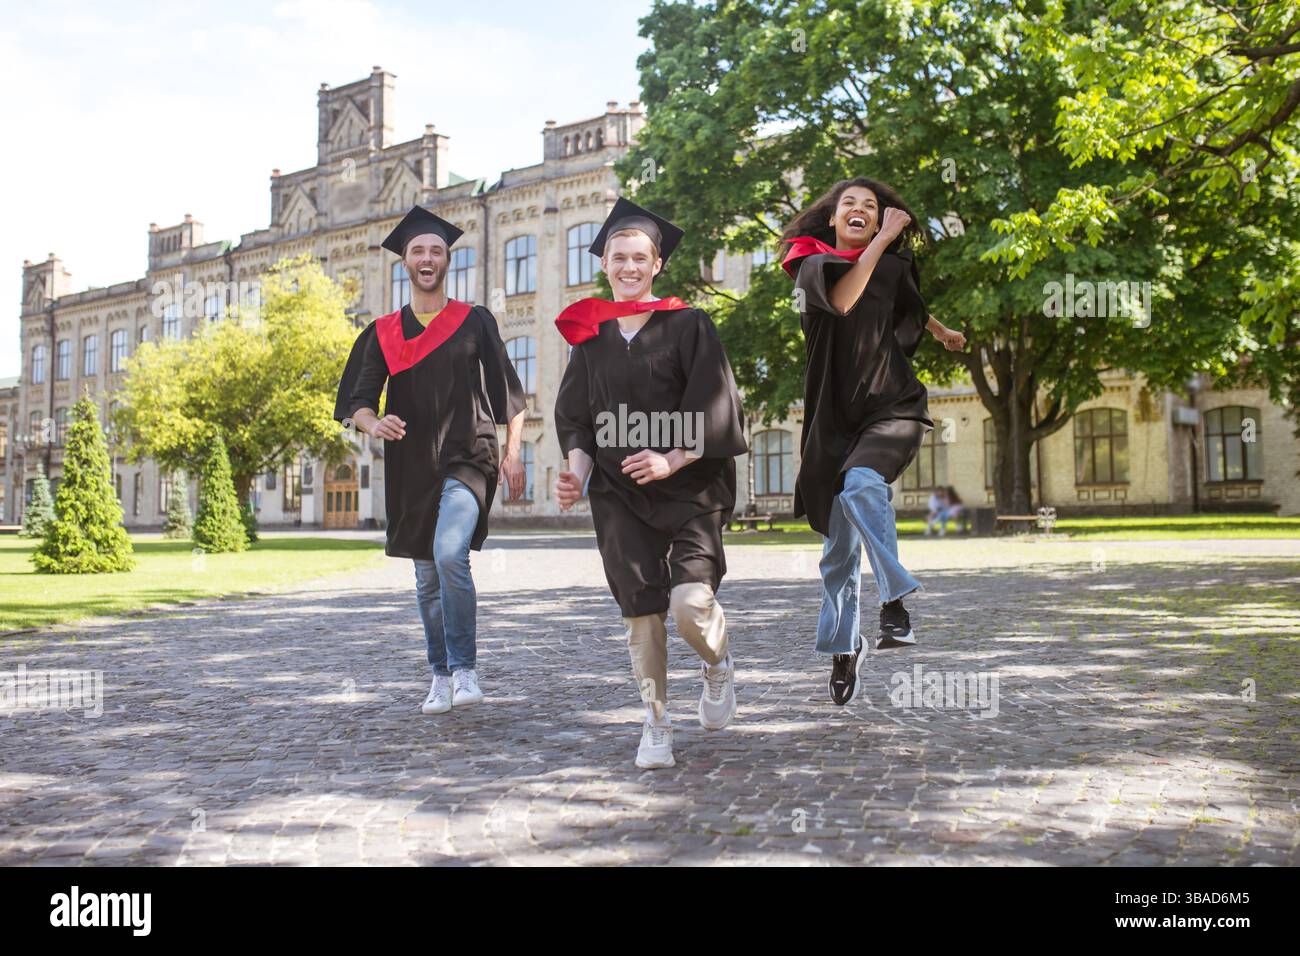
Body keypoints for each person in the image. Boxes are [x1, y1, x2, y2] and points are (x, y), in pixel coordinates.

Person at [553, 197, 749, 769]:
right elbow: (576, 422)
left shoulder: (688, 324)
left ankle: (717, 663)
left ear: (657, 264)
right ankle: (656, 720)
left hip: (692, 489)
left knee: (689, 605)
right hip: (620, 494)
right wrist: (576, 475)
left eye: (640, 257)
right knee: (641, 612)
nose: (629, 267)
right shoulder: (589, 336)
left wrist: (672, 458)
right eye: (619, 258)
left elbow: (719, 405)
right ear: (606, 263)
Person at [334, 205, 527, 715]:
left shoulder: (473, 321)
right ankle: (439, 675)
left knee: (448, 553)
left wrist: (512, 454)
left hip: (470, 456)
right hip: (411, 467)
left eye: (436, 251)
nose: (427, 258)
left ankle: (465, 669)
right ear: (405, 262)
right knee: (425, 578)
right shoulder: (382, 334)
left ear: (446, 261)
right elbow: (357, 401)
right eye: (418, 250)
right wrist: (373, 424)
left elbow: (509, 392)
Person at [781, 177, 965, 706]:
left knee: (864, 485)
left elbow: (906, 302)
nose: (861, 210)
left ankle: (895, 602)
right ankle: (845, 648)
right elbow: (844, 302)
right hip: (832, 424)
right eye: (850, 205)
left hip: (893, 407)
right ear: (833, 220)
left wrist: (942, 332)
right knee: (838, 554)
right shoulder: (809, 265)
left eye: (872, 206)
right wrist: (883, 238)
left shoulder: (892, 264)